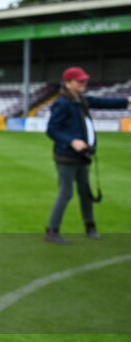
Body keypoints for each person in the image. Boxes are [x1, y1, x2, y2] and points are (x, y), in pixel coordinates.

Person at [44, 66, 131, 244]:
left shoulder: (79, 100)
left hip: (82, 156)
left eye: (85, 80)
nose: (84, 83)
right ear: (68, 83)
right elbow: (52, 129)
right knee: (66, 193)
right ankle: (52, 230)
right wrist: (71, 141)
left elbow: (102, 102)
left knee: (85, 193)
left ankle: (90, 227)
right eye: (80, 81)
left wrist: (127, 101)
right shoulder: (62, 103)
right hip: (67, 157)